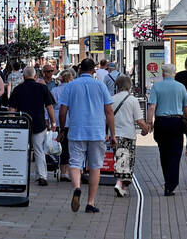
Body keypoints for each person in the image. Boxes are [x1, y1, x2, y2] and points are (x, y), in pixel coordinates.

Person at [57, 58, 116, 213]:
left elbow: (62, 112)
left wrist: (62, 129)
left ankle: (77, 187)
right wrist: (113, 134)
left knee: (75, 163)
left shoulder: (71, 86)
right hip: (97, 132)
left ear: (80, 70)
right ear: (93, 71)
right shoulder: (101, 86)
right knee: (95, 167)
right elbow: (109, 111)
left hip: (76, 130)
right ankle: (90, 203)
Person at [9, 65, 58, 186]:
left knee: (21, 150)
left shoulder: (17, 89)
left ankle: (19, 174)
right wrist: (53, 122)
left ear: (23, 76)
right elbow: (49, 106)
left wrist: (11, 123)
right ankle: (42, 176)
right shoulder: (42, 88)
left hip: (22, 123)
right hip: (39, 123)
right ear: (35, 76)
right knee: (39, 150)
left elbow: (12, 110)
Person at [146, 62, 187, 196]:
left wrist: (149, 122)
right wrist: (186, 118)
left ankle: (167, 182)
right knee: (175, 154)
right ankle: (171, 184)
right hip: (176, 122)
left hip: (161, 122)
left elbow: (152, 107)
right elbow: (186, 107)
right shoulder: (181, 87)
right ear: (174, 73)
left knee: (163, 153)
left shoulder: (157, 87)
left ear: (163, 74)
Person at [109, 75, 147, 197]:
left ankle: (122, 186)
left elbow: (106, 119)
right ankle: (119, 183)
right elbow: (139, 120)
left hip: (114, 135)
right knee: (126, 159)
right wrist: (145, 129)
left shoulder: (112, 99)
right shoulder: (132, 100)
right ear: (129, 85)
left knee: (120, 158)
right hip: (128, 134)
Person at [52, 68, 75, 182]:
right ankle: (71, 172)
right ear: (70, 78)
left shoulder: (55, 90)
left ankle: (62, 171)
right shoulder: (73, 89)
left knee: (61, 147)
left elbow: (50, 106)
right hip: (71, 120)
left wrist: (49, 120)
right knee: (71, 147)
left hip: (58, 119)